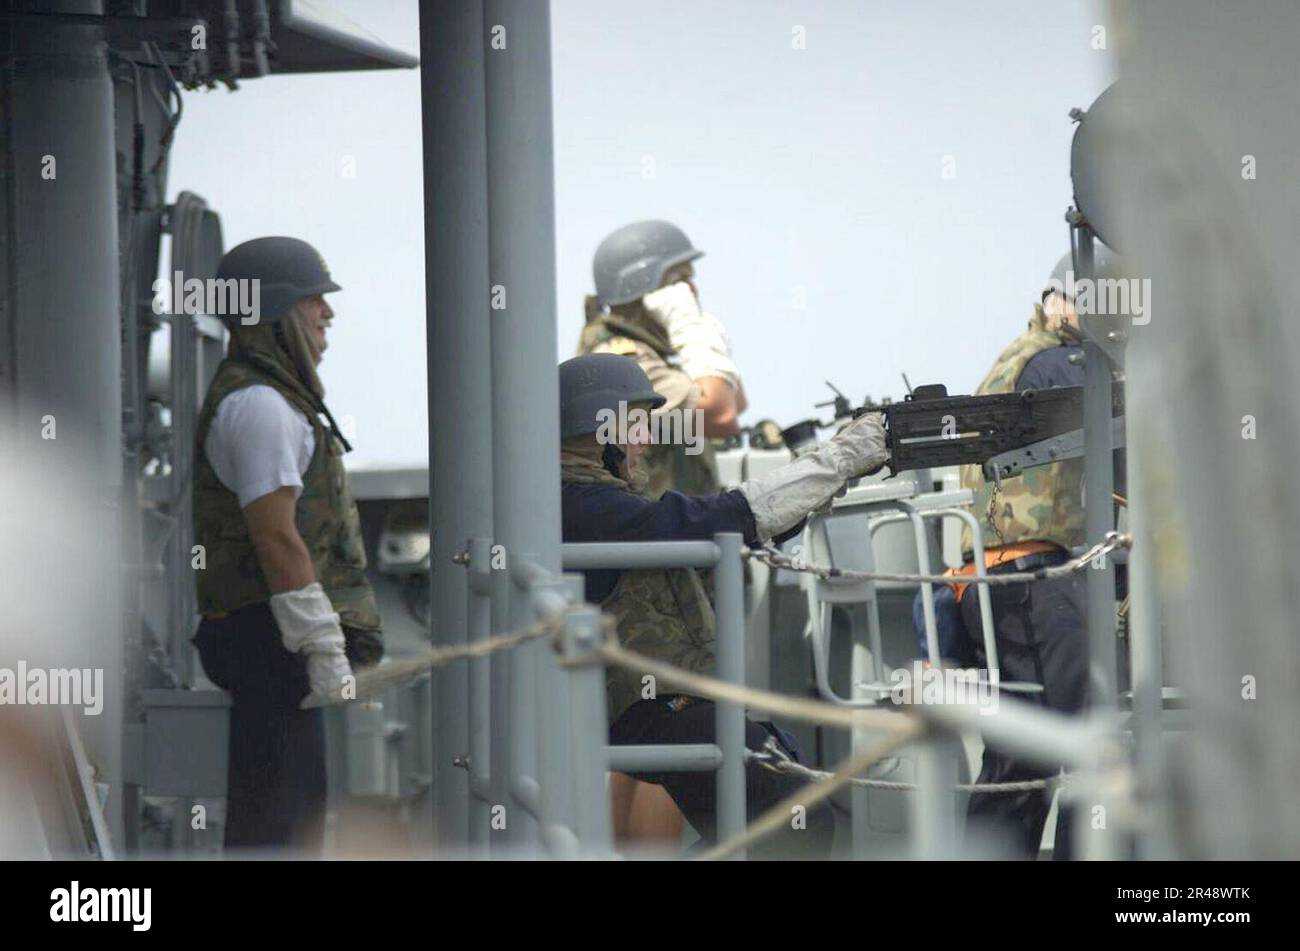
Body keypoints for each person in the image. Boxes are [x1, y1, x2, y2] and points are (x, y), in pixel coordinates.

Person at [559, 352, 888, 857]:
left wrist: (819, 487)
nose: (647, 440)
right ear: (593, 434)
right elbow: (701, 522)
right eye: (635, 427)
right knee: (797, 819)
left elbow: (718, 527)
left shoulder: (582, 497)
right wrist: (835, 460)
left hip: (654, 700)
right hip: (649, 707)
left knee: (771, 809)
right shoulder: (584, 503)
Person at [190, 236, 383, 853]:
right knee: (277, 819)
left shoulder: (274, 399)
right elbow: (275, 536)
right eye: (313, 300)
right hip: (268, 641)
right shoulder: (260, 406)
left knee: (292, 815)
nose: (328, 313)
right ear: (273, 313)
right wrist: (320, 642)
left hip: (274, 640)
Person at [934, 247, 1123, 859]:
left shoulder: (1022, 359)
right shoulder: (1062, 363)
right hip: (1031, 578)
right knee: (1085, 738)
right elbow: (1123, 453)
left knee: (1029, 745)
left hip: (997, 577)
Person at [578, 219, 748, 498]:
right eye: (679, 280)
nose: (691, 291)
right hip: (648, 536)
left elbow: (735, 402)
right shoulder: (623, 363)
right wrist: (690, 328)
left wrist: (703, 340)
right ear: (642, 290)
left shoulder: (649, 355)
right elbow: (721, 414)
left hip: (669, 532)